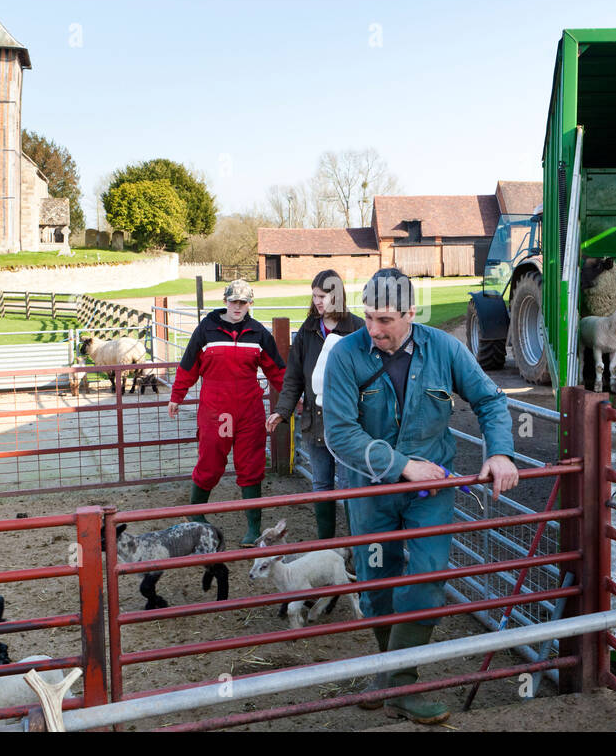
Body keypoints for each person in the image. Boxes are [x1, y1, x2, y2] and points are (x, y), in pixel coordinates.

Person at [322, 268, 518, 724]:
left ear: (411, 313)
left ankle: (400, 683)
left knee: (428, 575)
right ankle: (389, 673)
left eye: (385, 320)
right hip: (370, 487)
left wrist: (502, 452)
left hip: (431, 488)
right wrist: (401, 465)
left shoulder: (444, 349)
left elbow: (489, 400)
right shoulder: (346, 356)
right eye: (369, 317)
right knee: (376, 584)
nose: (373, 329)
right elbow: (339, 433)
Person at [168, 279, 286, 546]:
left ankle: (253, 528)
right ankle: (195, 515)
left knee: (252, 465)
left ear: (250, 305)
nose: (237, 306)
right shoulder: (206, 330)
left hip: (249, 411)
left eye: (243, 302)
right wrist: (177, 396)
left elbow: (277, 371)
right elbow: (188, 366)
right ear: (225, 302)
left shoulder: (259, 334)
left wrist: (292, 401)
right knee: (210, 462)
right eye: (233, 301)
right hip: (215, 410)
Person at [265, 269, 363, 539]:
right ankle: (327, 545)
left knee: (349, 485)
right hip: (315, 422)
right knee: (321, 484)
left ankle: (358, 545)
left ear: (337, 295)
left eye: (323, 296)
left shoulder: (357, 329)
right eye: (315, 296)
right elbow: (294, 377)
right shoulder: (308, 332)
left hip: (348, 423)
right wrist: (282, 411)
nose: (318, 302)